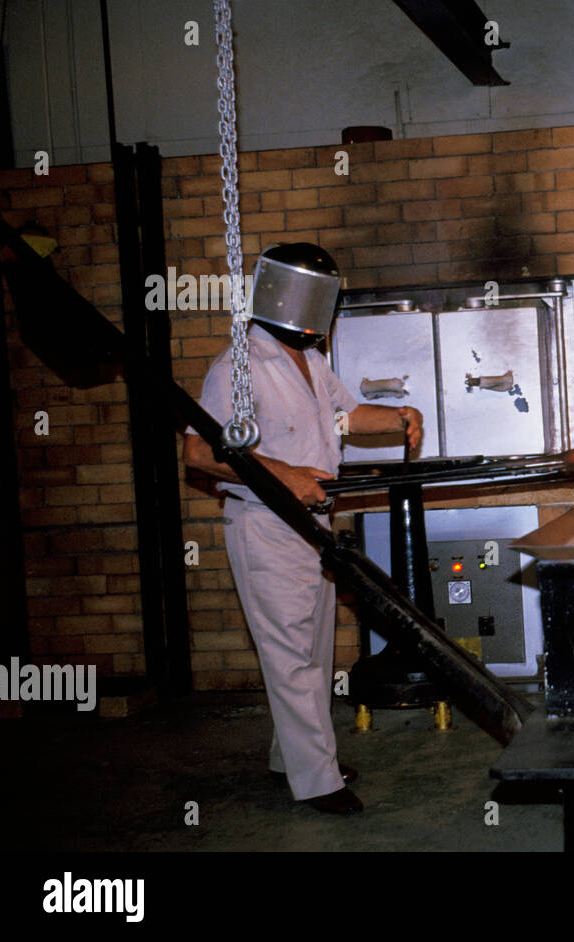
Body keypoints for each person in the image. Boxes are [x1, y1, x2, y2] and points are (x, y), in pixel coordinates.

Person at [184, 243, 423, 815]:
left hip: (314, 529)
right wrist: (285, 473)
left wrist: (395, 418)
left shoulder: (310, 361)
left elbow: (343, 416)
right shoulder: (239, 367)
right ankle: (318, 781)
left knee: (312, 654)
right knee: (291, 658)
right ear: (282, 296)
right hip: (266, 527)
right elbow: (198, 451)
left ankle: (289, 757)